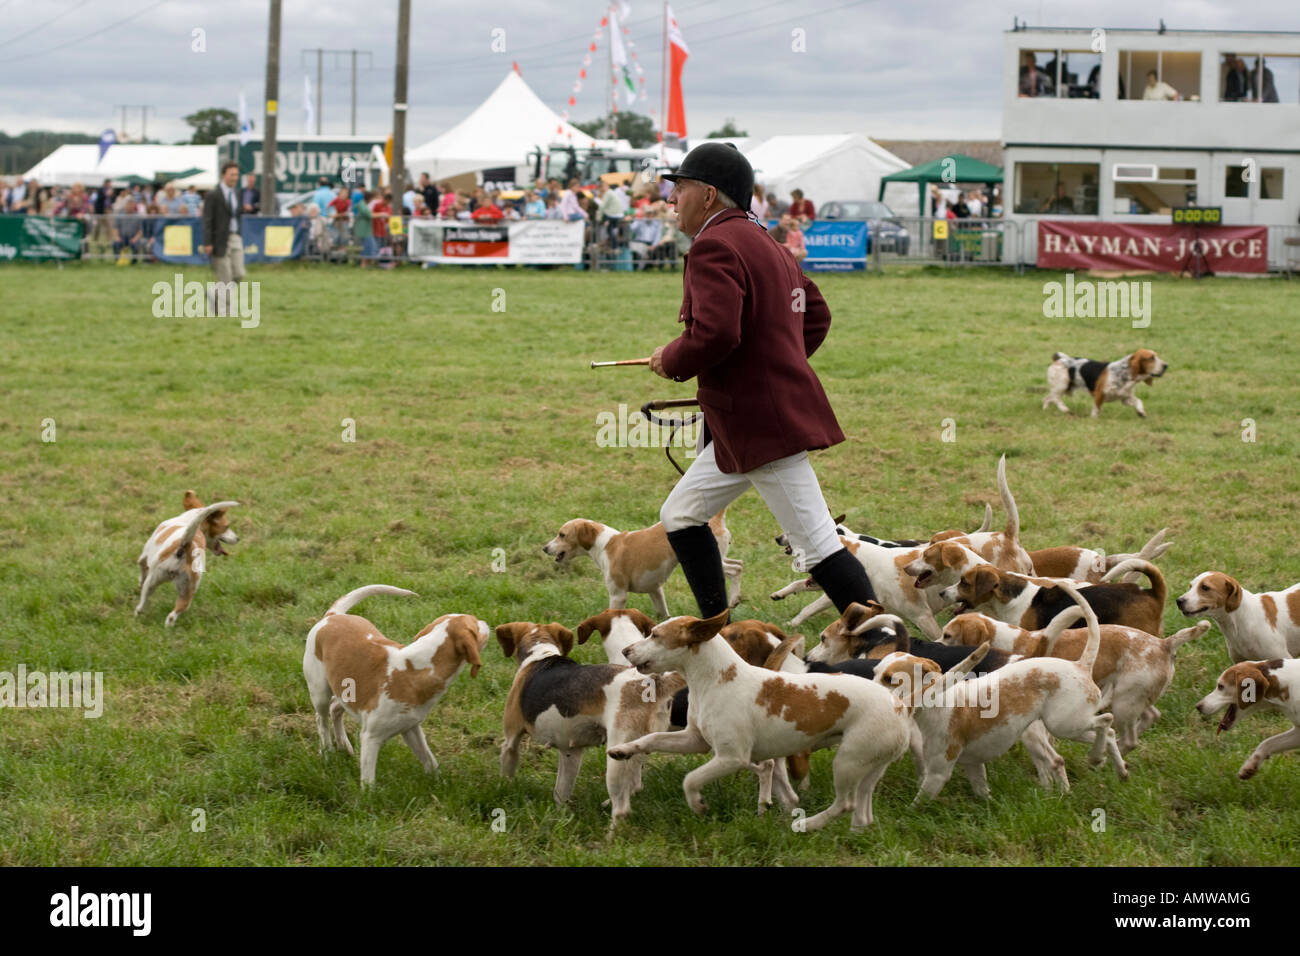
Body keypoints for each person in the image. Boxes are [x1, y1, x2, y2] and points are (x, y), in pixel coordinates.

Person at [646, 142, 879, 620]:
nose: (671, 199)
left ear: (708, 195)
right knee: (681, 515)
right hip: (744, 421)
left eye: (680, 187)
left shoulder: (713, 244)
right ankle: (715, 626)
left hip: (757, 424)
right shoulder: (768, 242)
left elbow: (715, 333)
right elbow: (815, 316)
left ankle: (884, 641)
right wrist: (774, 364)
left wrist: (671, 360)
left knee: (817, 544)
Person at [200, 162, 245, 314]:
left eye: (237, 175)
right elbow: (207, 220)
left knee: (239, 274)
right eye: (232, 174)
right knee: (225, 277)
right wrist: (207, 242)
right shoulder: (213, 195)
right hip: (219, 239)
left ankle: (213, 294)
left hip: (235, 236)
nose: (235, 178)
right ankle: (223, 311)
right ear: (224, 175)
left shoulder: (237, 194)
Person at [353, 189, 375, 266]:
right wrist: (381, 214)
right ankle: (363, 263)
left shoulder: (363, 205)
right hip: (363, 230)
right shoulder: (362, 205)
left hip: (366, 229)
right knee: (366, 247)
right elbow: (369, 215)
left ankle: (367, 263)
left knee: (368, 246)